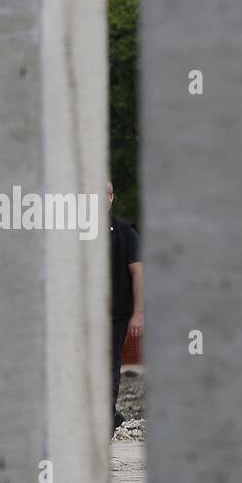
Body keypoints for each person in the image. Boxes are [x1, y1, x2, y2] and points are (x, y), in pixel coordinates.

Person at [108, 180, 142, 430]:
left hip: (115, 313)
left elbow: (138, 272)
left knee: (109, 365)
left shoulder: (124, 231)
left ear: (110, 197)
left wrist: (138, 313)